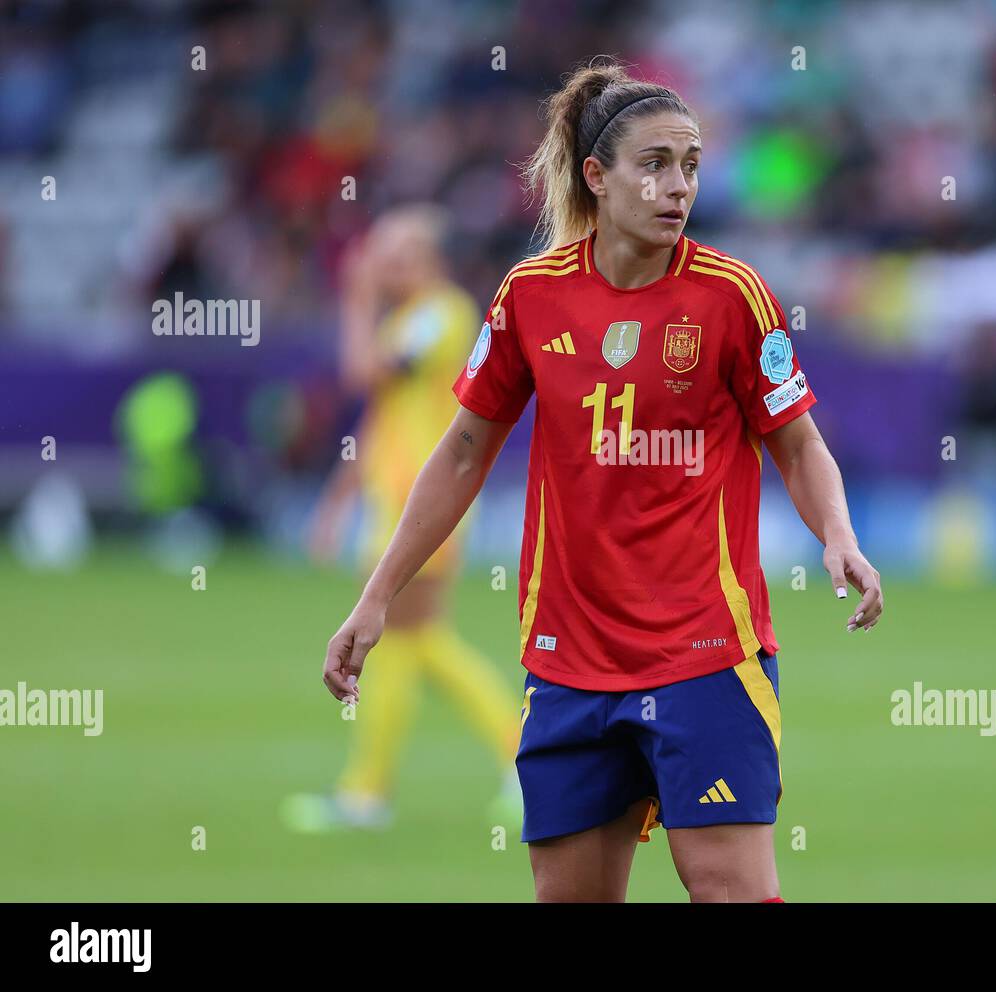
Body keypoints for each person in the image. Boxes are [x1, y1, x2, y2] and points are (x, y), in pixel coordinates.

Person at [321, 61, 883, 901]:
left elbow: (798, 445)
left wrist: (837, 533)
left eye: (690, 164)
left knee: (732, 891)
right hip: (568, 663)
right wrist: (376, 594)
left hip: (706, 654)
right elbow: (464, 450)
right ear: (596, 175)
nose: (678, 185)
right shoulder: (530, 298)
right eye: (654, 163)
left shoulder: (734, 297)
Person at [285, 205, 523, 833]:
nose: (384, 265)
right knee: (404, 643)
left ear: (430, 257)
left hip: (426, 504)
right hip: (394, 501)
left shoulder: (444, 315)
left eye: (398, 252)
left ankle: (513, 759)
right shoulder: (414, 320)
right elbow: (380, 418)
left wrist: (356, 297)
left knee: (414, 638)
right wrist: (337, 503)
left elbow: (361, 375)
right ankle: (372, 791)